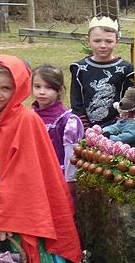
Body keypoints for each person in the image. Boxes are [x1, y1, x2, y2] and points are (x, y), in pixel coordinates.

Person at [0, 55, 82, 262]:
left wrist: (5, 220)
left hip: (21, 214)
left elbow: (26, 176)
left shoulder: (26, 120)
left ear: (18, 88)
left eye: (5, 88)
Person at [70, 16, 134, 128]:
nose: (103, 45)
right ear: (88, 40)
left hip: (117, 128)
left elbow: (128, 102)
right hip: (86, 128)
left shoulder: (126, 69)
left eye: (109, 41)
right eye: (97, 41)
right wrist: (84, 128)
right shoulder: (79, 68)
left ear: (117, 41)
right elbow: (77, 102)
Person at [31, 64, 84, 196]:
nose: (42, 92)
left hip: (57, 179)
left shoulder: (67, 121)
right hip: (32, 177)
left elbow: (71, 157)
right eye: (37, 86)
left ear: (59, 90)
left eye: (48, 87)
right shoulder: (27, 116)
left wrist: (69, 183)